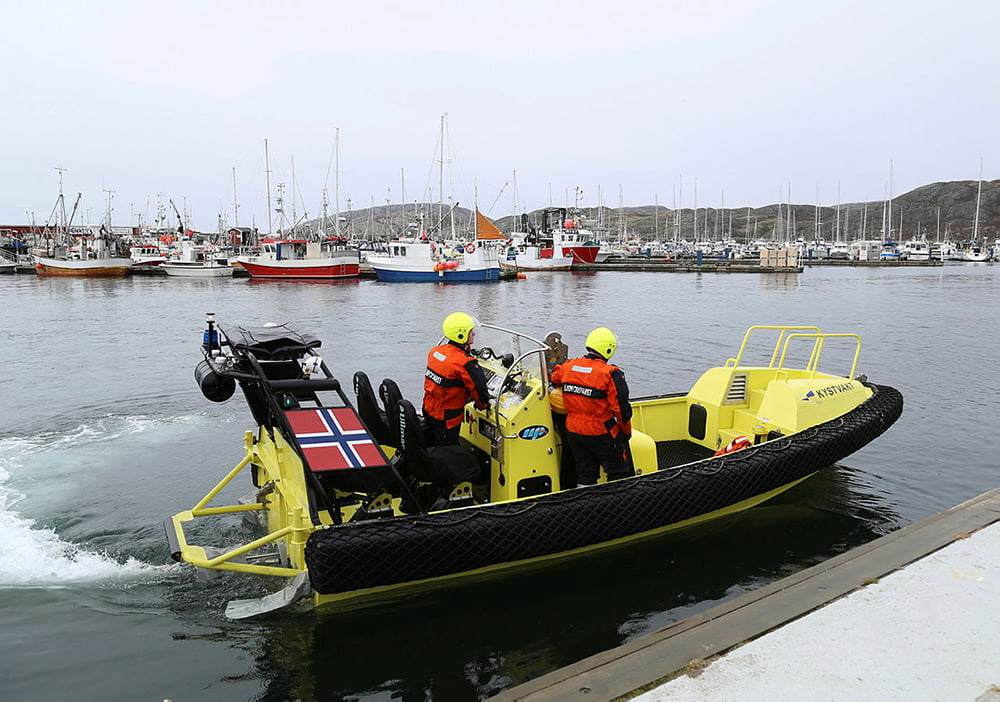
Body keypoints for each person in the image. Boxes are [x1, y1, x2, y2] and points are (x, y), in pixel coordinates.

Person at [550, 327, 633, 486]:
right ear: (609, 349)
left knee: (585, 471)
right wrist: (625, 433)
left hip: (573, 430)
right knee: (618, 470)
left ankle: (586, 505)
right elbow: (621, 411)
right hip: (600, 430)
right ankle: (616, 504)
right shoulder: (610, 374)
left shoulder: (568, 366)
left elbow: (555, 378)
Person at [422, 312, 490, 445]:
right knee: (446, 449)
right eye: (471, 331)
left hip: (429, 409)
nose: (474, 334)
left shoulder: (435, 352)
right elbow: (479, 390)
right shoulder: (465, 363)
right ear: (462, 335)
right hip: (447, 418)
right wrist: (484, 405)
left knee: (432, 443)